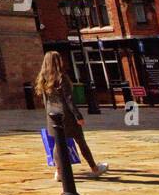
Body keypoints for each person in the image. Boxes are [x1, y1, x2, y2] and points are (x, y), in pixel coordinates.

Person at [35, 51, 107, 179]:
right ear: (58, 61)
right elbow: (69, 100)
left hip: (52, 116)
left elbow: (45, 101)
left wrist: (49, 115)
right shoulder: (62, 77)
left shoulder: (43, 78)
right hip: (66, 116)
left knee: (58, 144)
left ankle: (59, 172)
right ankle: (95, 168)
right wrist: (78, 116)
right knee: (80, 141)